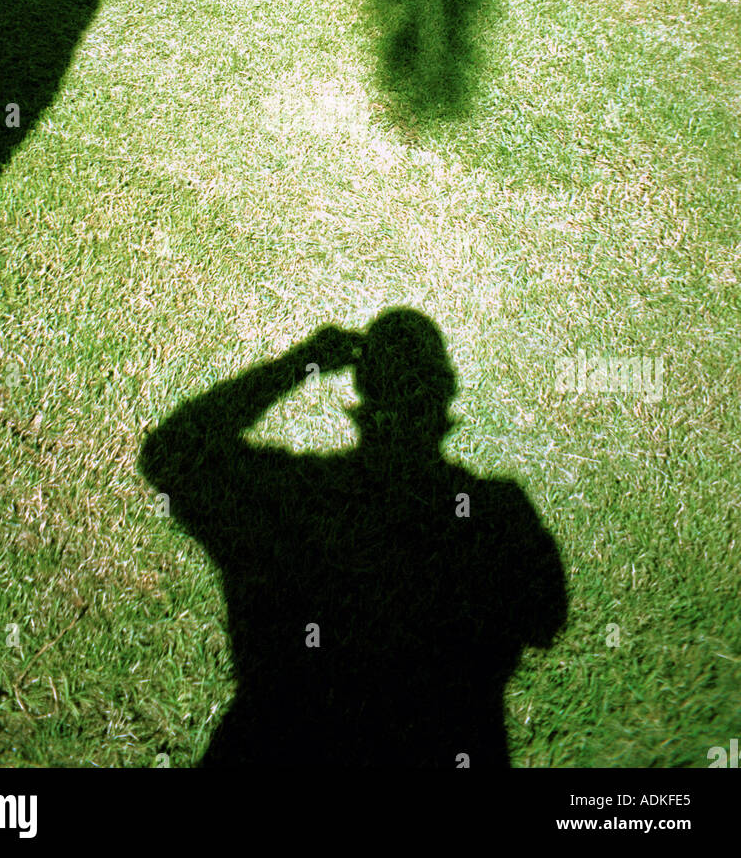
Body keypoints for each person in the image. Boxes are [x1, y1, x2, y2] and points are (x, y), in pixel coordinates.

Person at [139, 307, 567, 766]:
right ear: (445, 394)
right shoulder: (494, 516)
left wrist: (300, 364)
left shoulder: (299, 500)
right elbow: (546, 620)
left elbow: (173, 451)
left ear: (362, 392)